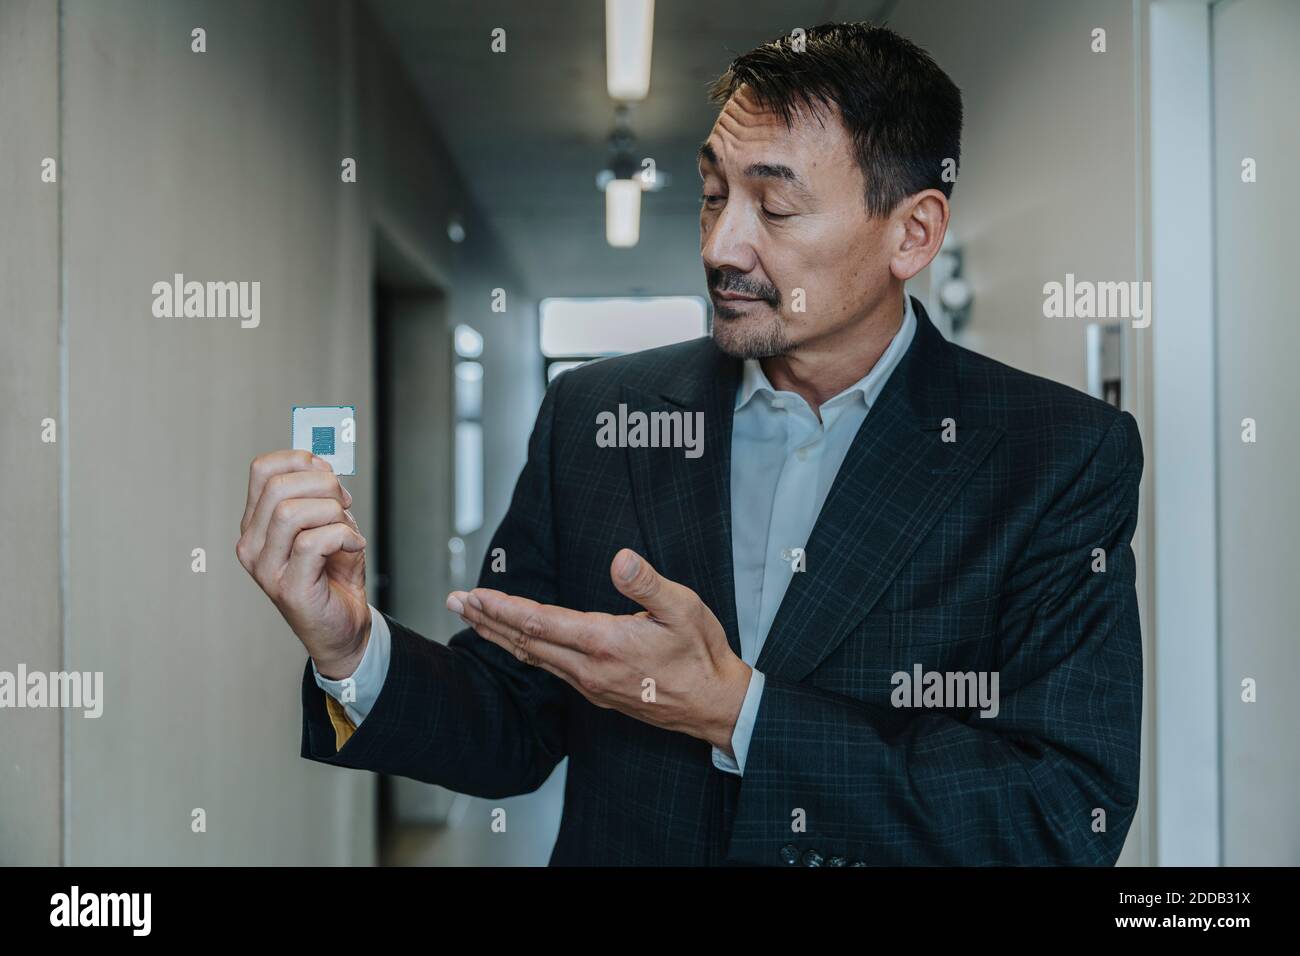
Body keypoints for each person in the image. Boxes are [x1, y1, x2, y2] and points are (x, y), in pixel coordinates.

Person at [237, 23, 1142, 866]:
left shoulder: (1056, 456)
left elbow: (1060, 813)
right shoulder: (595, 414)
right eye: (712, 197)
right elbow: (513, 718)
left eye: (774, 208)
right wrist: (354, 650)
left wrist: (738, 712)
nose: (720, 246)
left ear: (912, 233)